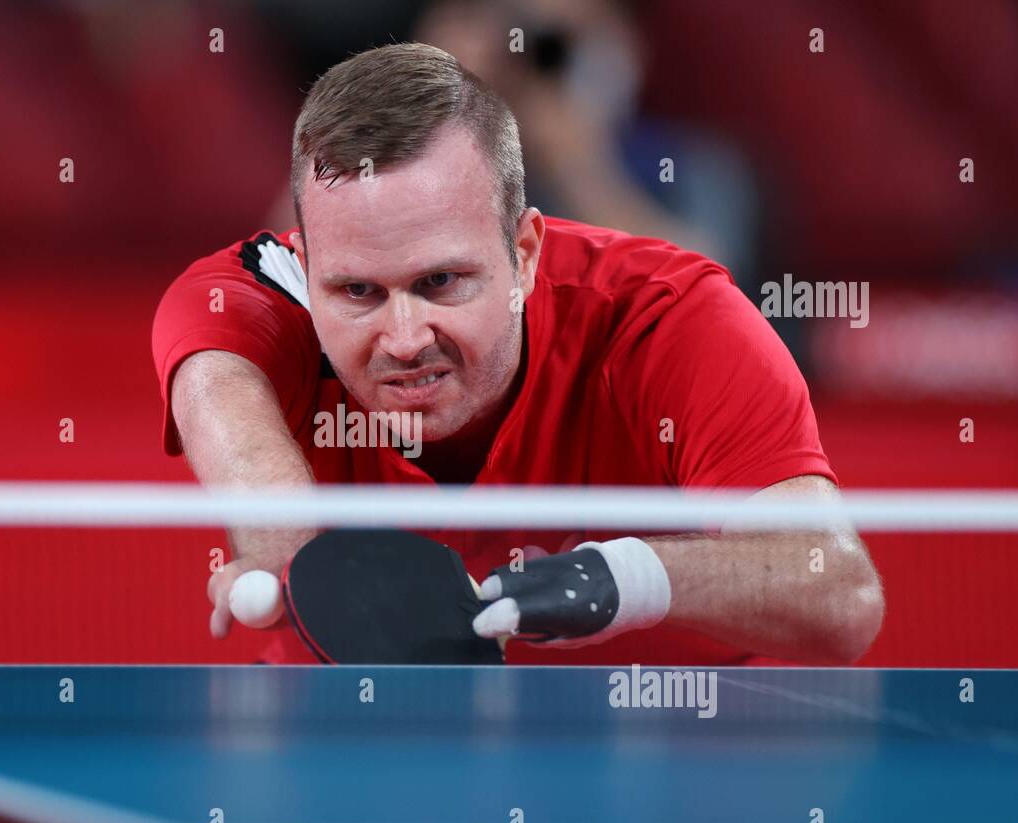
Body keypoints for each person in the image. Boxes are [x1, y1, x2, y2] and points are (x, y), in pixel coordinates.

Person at [152, 43, 883, 666]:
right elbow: (239, 436)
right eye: (357, 292)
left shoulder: (671, 316)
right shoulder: (234, 300)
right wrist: (296, 561)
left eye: (441, 282)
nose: (404, 339)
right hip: (365, 768)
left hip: (671, 773)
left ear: (524, 253)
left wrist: (620, 577)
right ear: (306, 265)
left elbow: (839, 594)